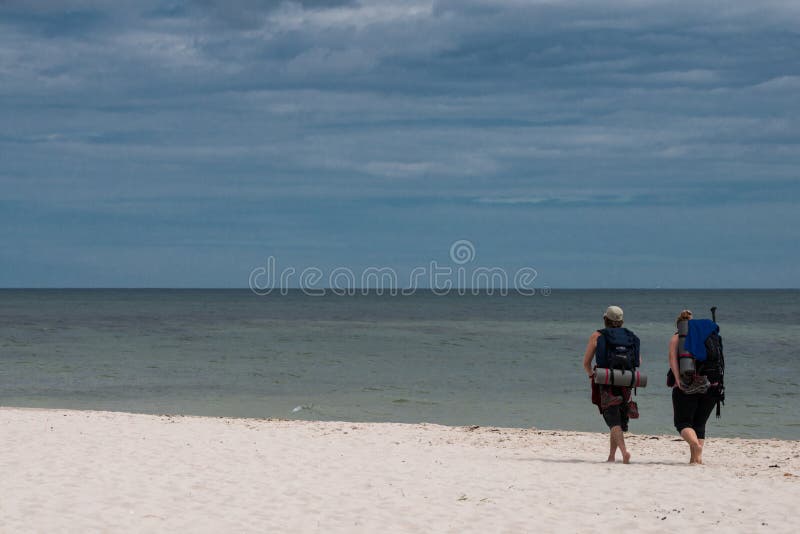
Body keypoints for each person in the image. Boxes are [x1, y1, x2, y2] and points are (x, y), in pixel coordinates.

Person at [582, 305, 641, 464]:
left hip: (606, 380)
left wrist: (591, 376)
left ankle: (624, 452)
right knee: (619, 420)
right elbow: (638, 361)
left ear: (605, 319)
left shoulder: (597, 335)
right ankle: (611, 456)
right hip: (626, 382)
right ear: (621, 321)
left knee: (612, 419)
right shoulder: (630, 336)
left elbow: (586, 362)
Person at [668, 309, 718, 465]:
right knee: (699, 424)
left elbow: (673, 361)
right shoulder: (708, 337)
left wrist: (678, 380)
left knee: (683, 423)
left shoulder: (677, 338)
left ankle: (695, 446)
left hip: (687, 384)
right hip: (712, 385)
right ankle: (696, 459)